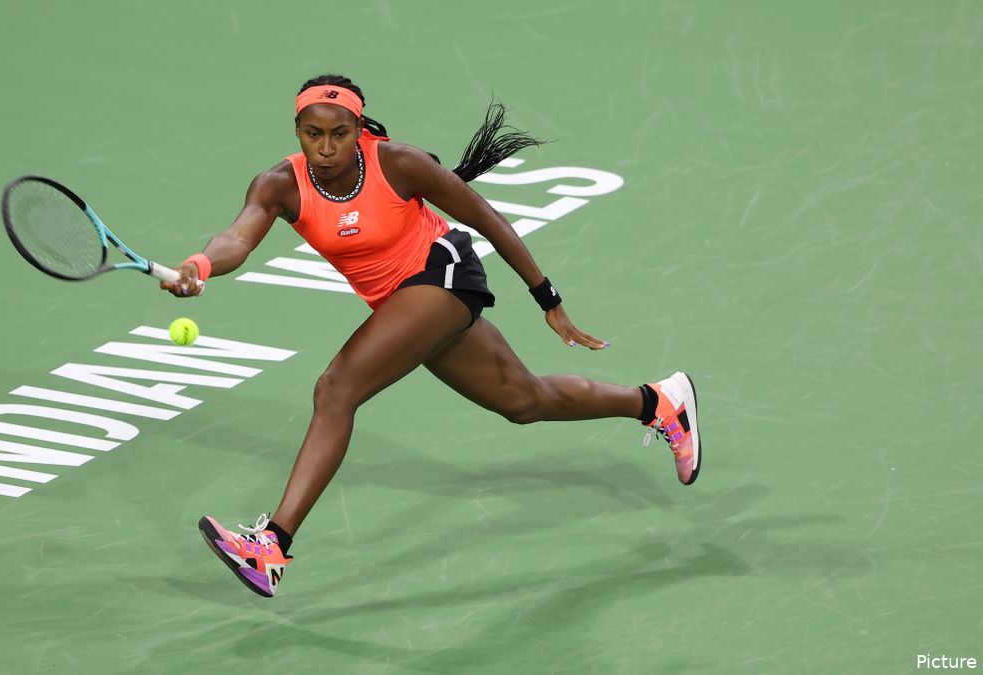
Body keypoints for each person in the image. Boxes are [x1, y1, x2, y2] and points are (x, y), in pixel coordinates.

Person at [161, 74, 702, 598]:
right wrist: (200, 265)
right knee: (523, 401)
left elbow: (488, 219)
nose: (326, 147)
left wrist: (548, 298)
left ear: (358, 129)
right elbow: (237, 236)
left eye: (339, 133)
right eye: (312, 134)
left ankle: (272, 546)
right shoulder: (279, 184)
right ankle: (657, 403)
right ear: (297, 131)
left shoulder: (397, 163)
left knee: (336, 389)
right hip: (403, 305)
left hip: (442, 276)